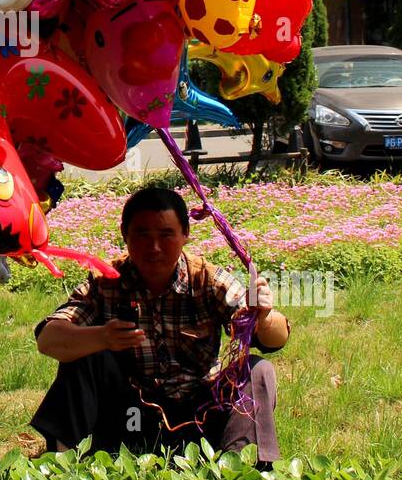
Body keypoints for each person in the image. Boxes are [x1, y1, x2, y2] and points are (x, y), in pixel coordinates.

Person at [30, 185, 290, 464]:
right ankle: (60, 463)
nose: (154, 248)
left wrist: (263, 316)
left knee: (258, 369)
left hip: (200, 419)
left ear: (185, 236)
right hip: (130, 420)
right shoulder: (105, 283)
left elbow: (275, 340)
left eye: (166, 235)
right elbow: (49, 339)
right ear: (125, 236)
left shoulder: (208, 280)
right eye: (142, 235)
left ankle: (243, 467)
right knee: (82, 351)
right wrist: (102, 337)